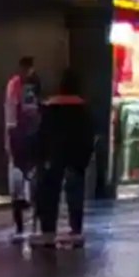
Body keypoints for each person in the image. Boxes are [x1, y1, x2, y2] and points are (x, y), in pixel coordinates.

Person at [33, 70, 94, 248]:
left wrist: (41, 156)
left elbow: (42, 134)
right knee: (75, 193)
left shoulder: (51, 107)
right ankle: (76, 227)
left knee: (50, 193)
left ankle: (48, 229)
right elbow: (89, 136)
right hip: (76, 157)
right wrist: (85, 157)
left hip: (54, 155)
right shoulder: (83, 109)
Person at [5, 56, 41, 241]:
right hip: (26, 140)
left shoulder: (21, 84)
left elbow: (12, 116)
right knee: (26, 185)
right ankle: (29, 225)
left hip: (21, 140)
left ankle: (22, 226)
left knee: (19, 185)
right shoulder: (26, 85)